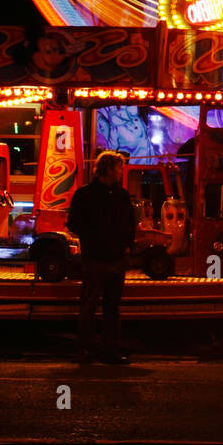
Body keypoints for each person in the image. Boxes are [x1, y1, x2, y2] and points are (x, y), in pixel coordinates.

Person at [67, 151, 137, 363]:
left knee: (105, 305)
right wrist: (119, 244)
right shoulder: (91, 195)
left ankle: (100, 349)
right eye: (118, 168)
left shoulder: (111, 194)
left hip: (107, 257)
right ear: (107, 169)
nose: (121, 172)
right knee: (97, 305)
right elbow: (75, 224)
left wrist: (125, 244)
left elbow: (129, 223)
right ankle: (93, 348)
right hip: (99, 257)